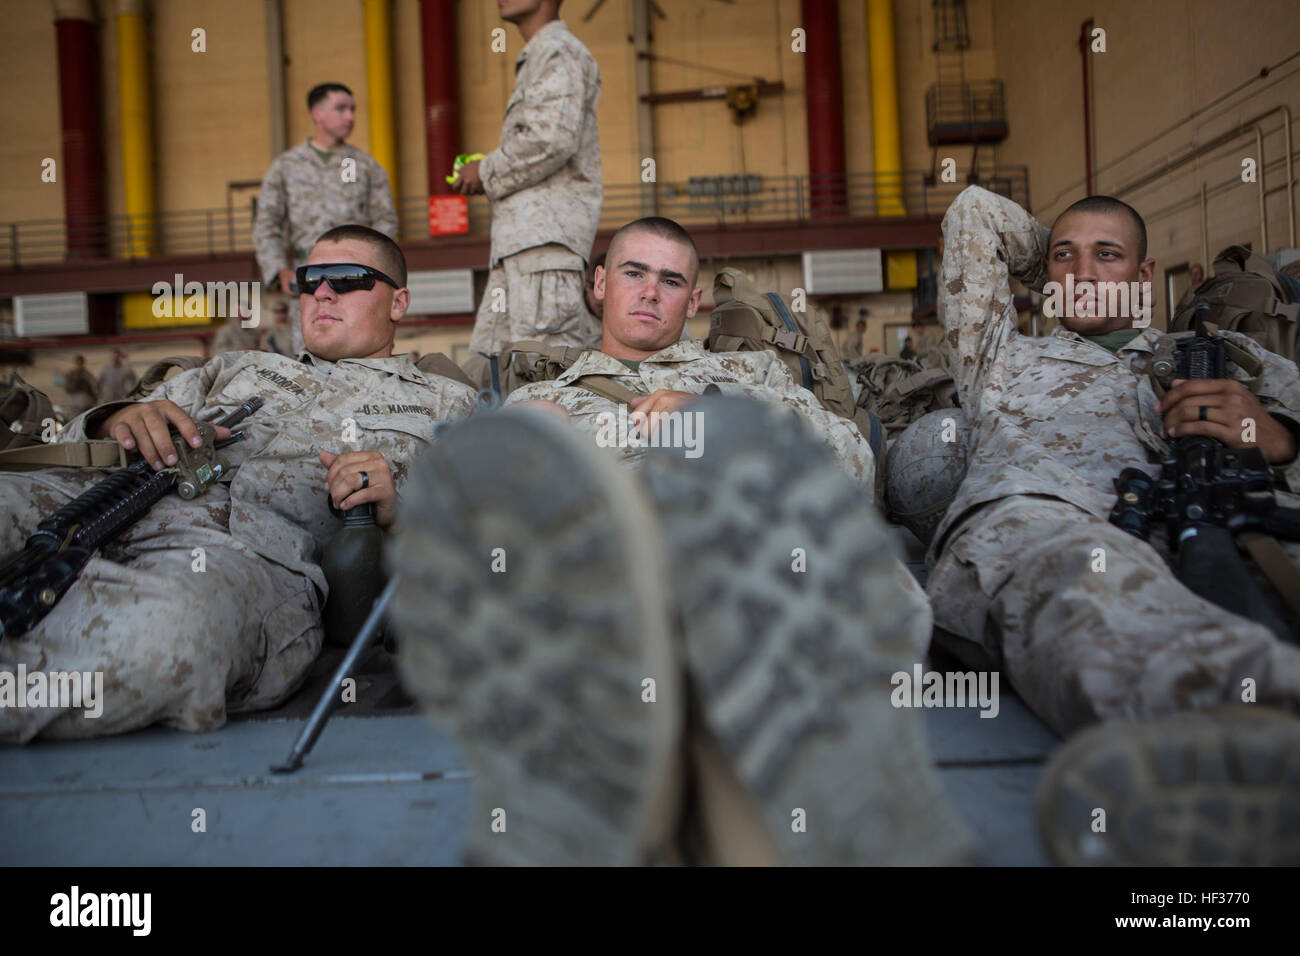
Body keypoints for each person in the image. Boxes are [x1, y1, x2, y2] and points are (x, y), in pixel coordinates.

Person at [389, 216, 972, 864]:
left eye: (671, 281)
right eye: (633, 273)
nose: (649, 293)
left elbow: (852, 466)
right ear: (599, 284)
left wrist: (716, 412)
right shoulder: (543, 400)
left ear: (693, 302)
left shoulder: (748, 377)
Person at [929, 186, 1300, 861]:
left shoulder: (1221, 358)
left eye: (1108, 256)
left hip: (1235, 531)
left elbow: (1287, 428)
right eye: (1065, 258)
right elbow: (974, 213)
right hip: (1054, 528)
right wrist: (1073, 249)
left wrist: (1278, 438)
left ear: (1144, 276)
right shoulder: (1002, 359)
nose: (1083, 274)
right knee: (1088, 588)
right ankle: (1241, 725)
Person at [0, 226, 476, 743]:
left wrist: (401, 513)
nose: (322, 292)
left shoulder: (448, 404)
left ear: (398, 302)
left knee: (173, 637)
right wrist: (116, 420)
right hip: (111, 494)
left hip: (252, 556)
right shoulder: (239, 367)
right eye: (310, 280)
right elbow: (74, 439)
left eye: (347, 279)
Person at [453, 0, 603, 387]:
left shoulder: (559, 51)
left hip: (543, 250)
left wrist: (483, 171)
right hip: (523, 249)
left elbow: (551, 139)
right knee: (492, 376)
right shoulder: (540, 54)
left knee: (546, 376)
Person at [254, 83, 398, 358]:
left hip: (356, 278)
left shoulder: (365, 166)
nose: (350, 116)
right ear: (317, 114)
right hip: (308, 278)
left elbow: (386, 222)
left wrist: (373, 268)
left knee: (362, 352)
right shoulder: (286, 167)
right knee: (309, 356)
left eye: (353, 110)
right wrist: (277, 269)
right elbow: (266, 224)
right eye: (341, 109)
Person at [63, 355, 97, 419]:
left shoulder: (87, 374)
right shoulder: (71, 374)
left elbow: (93, 387)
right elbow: (68, 388)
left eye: (81, 363)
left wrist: (94, 399)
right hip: (75, 399)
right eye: (78, 363)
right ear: (75, 363)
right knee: (74, 419)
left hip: (86, 400)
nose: (79, 365)